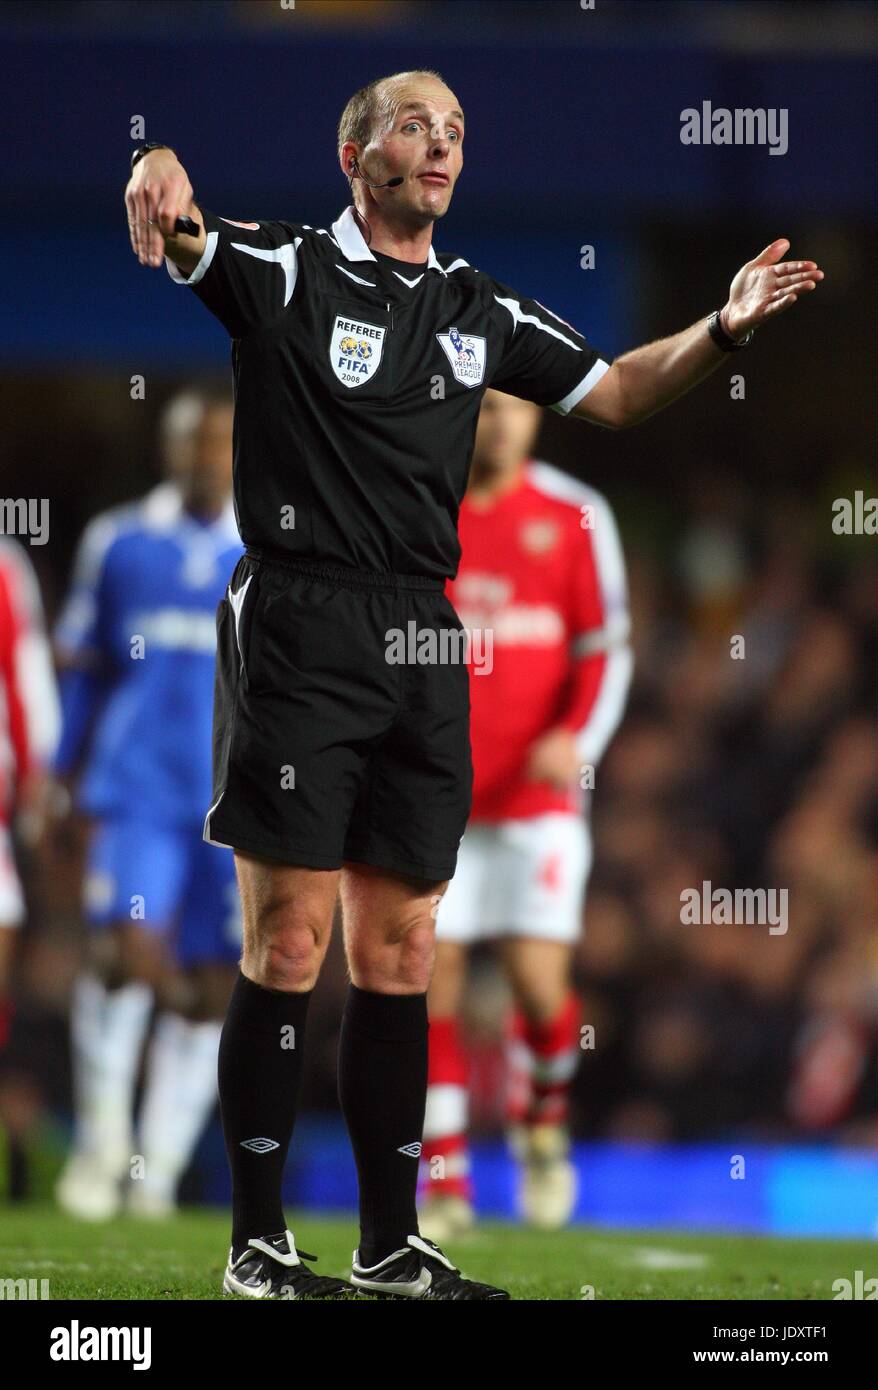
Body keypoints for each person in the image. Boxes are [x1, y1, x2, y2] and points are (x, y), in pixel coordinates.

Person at [123, 67, 823, 1300]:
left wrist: (720, 329)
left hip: (419, 637)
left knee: (402, 949)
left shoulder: (476, 304)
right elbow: (179, 227)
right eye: (414, 124)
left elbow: (609, 393)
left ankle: (392, 1245)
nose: (440, 144)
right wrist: (158, 159)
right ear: (356, 155)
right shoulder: (287, 269)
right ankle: (254, 1244)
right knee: (288, 939)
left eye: (454, 130)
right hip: (298, 614)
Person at [419, 388, 631, 1238]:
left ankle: (541, 1120)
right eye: (485, 406)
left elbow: (604, 648)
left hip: (538, 798)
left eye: (517, 407)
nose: (500, 422)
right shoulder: (416, 502)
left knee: (542, 991)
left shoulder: (577, 515)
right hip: (435, 794)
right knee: (429, 984)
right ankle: (443, 1179)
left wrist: (577, 739)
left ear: (540, 418)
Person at [53, 390, 244, 1221]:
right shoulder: (121, 539)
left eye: (220, 443)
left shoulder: (271, 545)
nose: (205, 457)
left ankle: (154, 1172)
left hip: (236, 799)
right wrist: (59, 770)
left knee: (211, 987)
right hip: (136, 790)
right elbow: (83, 665)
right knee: (127, 956)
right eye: (191, 442)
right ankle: (100, 1147)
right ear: (167, 450)